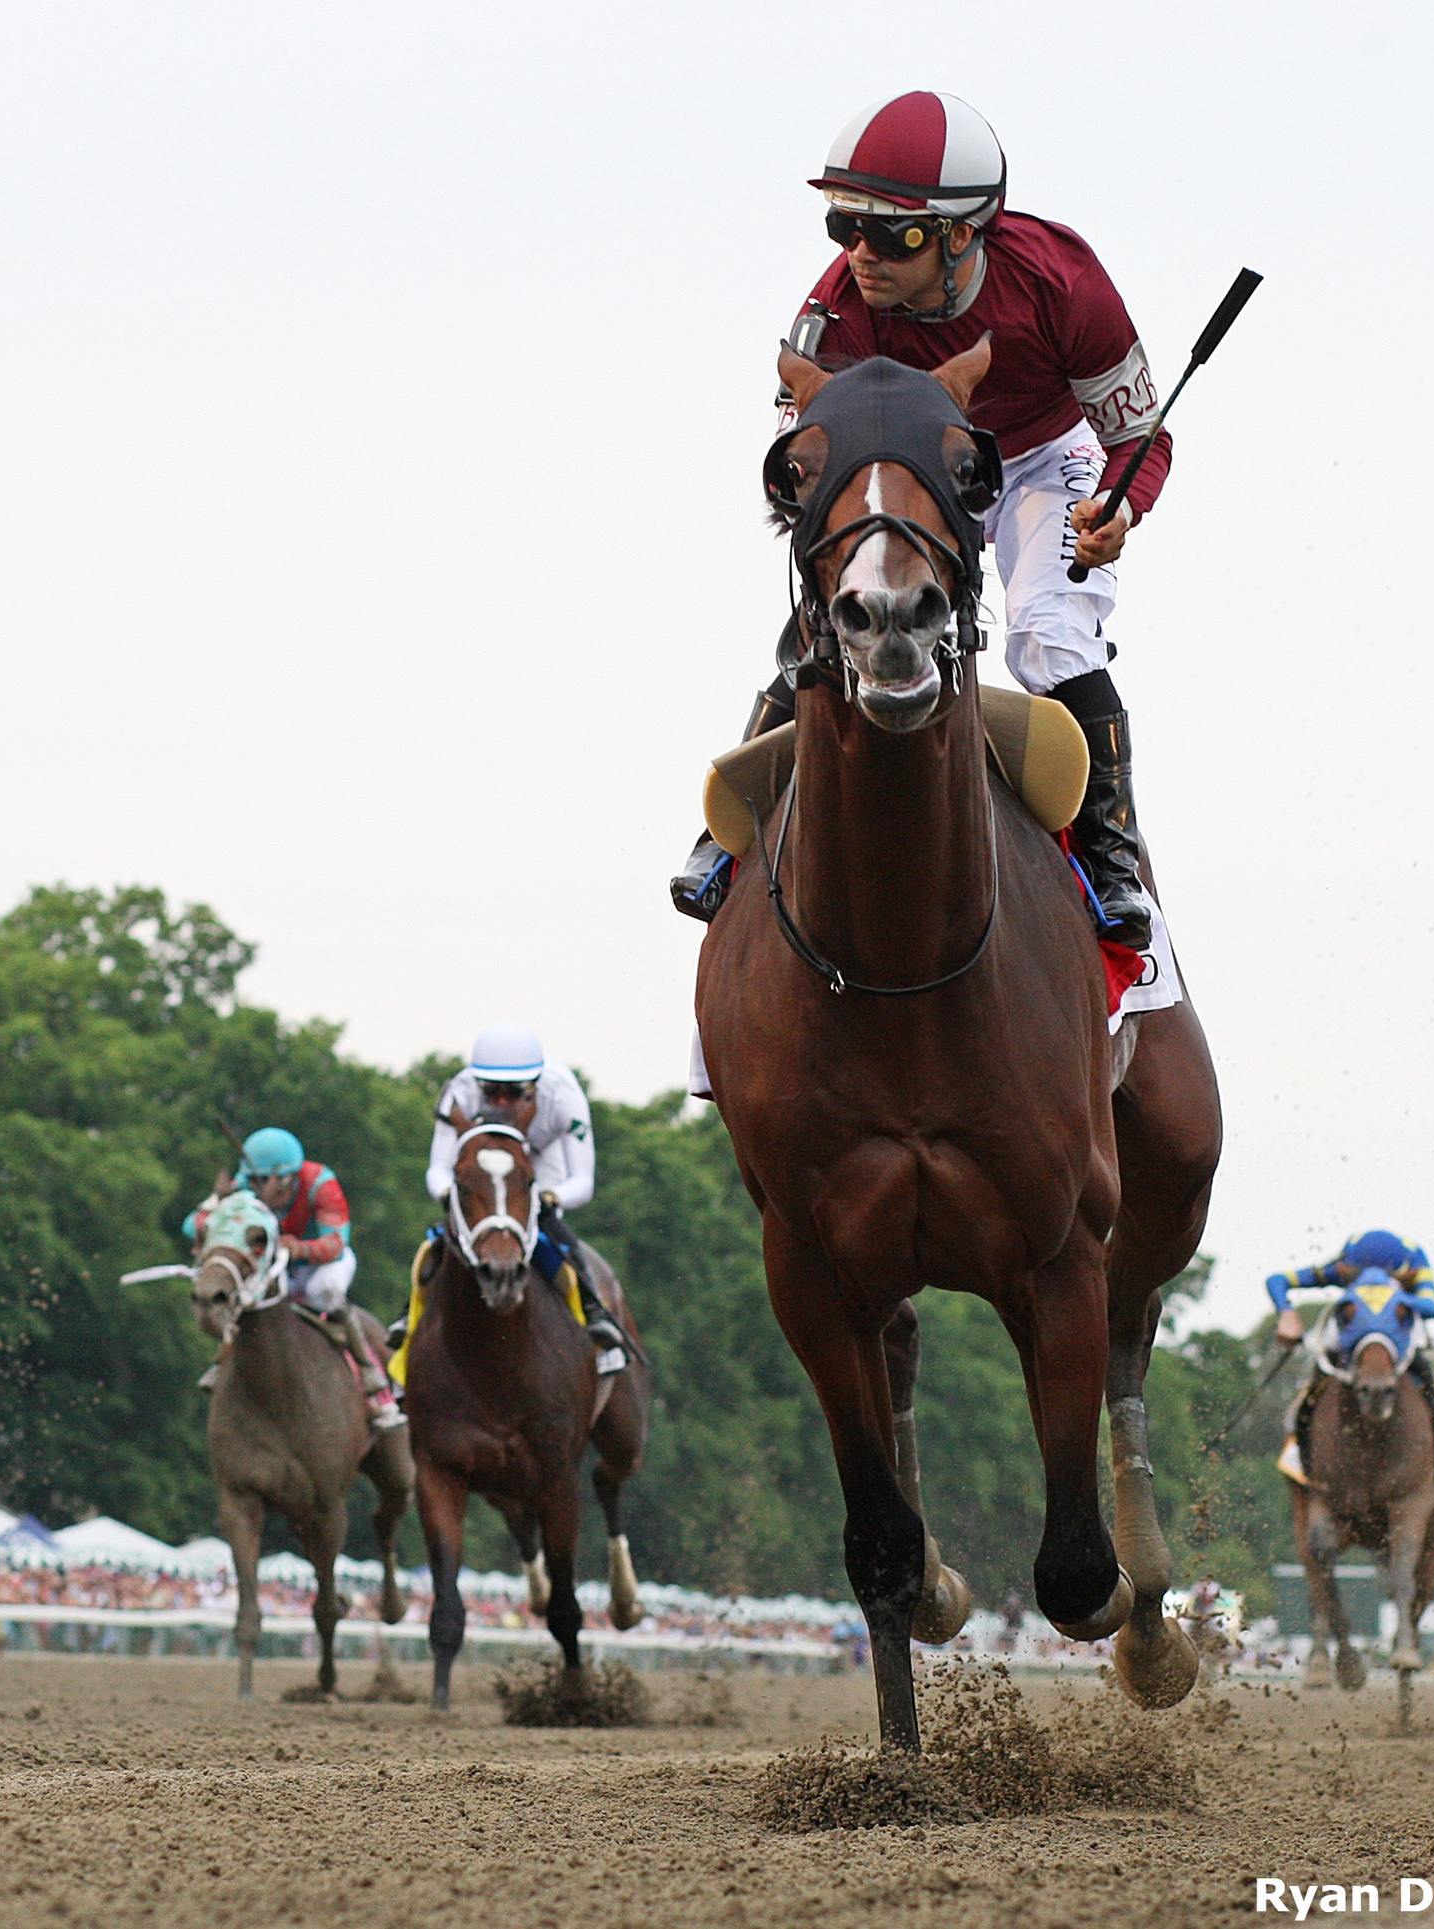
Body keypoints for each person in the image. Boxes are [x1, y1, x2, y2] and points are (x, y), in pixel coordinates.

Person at [673, 89, 1173, 952]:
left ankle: (1112, 850)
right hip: (918, 477)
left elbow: (1137, 433)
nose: (860, 256)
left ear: (959, 235)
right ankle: (728, 836)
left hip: (1046, 463)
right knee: (829, 623)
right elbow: (807, 479)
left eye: (888, 234)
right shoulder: (832, 317)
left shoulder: (1063, 282)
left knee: (1051, 638)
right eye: (844, 228)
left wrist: (1121, 506)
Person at [425, 1021, 627, 1373]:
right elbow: (438, 1169)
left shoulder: (564, 1099)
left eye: (514, 1093)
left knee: (544, 1228)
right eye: (491, 1092)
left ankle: (595, 1315)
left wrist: (550, 1198)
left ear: (534, 1087)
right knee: (438, 1242)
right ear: (477, 1084)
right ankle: (408, 1326)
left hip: (541, 1156)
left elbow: (582, 1181)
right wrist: (449, 1194)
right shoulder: (457, 1093)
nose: (502, 1102)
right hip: (480, 1164)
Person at [185, 1127, 402, 1431]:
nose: (260, 1189)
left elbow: (336, 1242)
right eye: (255, 1181)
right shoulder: (241, 1187)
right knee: (242, 1295)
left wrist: (298, 1247)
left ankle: (370, 1373)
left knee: (324, 1291)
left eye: (268, 1182)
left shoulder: (320, 1184)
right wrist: (215, 1204)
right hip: (276, 1268)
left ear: (290, 1177)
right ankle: (223, 1360)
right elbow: (191, 1228)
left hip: (322, 1265)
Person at [1266, 1228, 1434, 1454]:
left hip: (1400, 1338)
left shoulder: (1415, 1262)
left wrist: (1397, 1299)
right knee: (1320, 1373)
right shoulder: (1342, 1267)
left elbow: (1431, 1307)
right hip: (1351, 1338)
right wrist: (1287, 1314)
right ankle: (1302, 1427)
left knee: (1422, 1366)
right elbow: (1277, 1281)